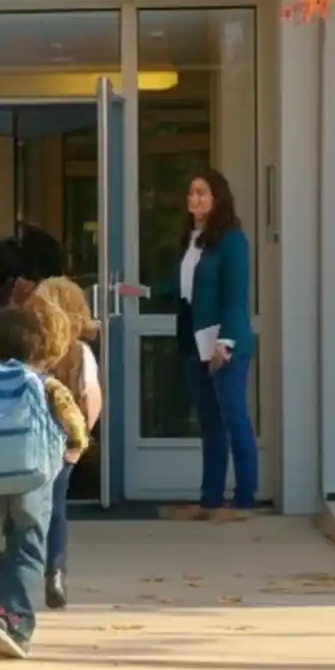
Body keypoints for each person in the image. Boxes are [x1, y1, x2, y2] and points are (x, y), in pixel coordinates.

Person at [0, 298, 89, 660]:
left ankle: (2, 614)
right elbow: (75, 421)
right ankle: (17, 624)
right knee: (29, 547)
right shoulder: (44, 383)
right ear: (37, 345)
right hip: (32, 476)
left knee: (6, 547)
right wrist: (75, 447)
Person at [130, 169, 258, 523]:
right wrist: (139, 292)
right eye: (191, 193)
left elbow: (235, 297)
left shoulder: (232, 241)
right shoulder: (193, 239)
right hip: (194, 340)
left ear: (217, 198)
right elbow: (177, 285)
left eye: (202, 193)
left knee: (235, 418)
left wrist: (226, 344)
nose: (195, 200)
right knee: (209, 421)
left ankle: (245, 499)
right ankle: (210, 499)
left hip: (224, 343)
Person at [25, 277, 103, 609]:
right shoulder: (79, 352)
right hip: (63, 444)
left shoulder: (29, 349)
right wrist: (80, 439)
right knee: (57, 509)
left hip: (28, 444)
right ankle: (54, 572)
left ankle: (23, 568)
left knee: (26, 511)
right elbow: (91, 397)